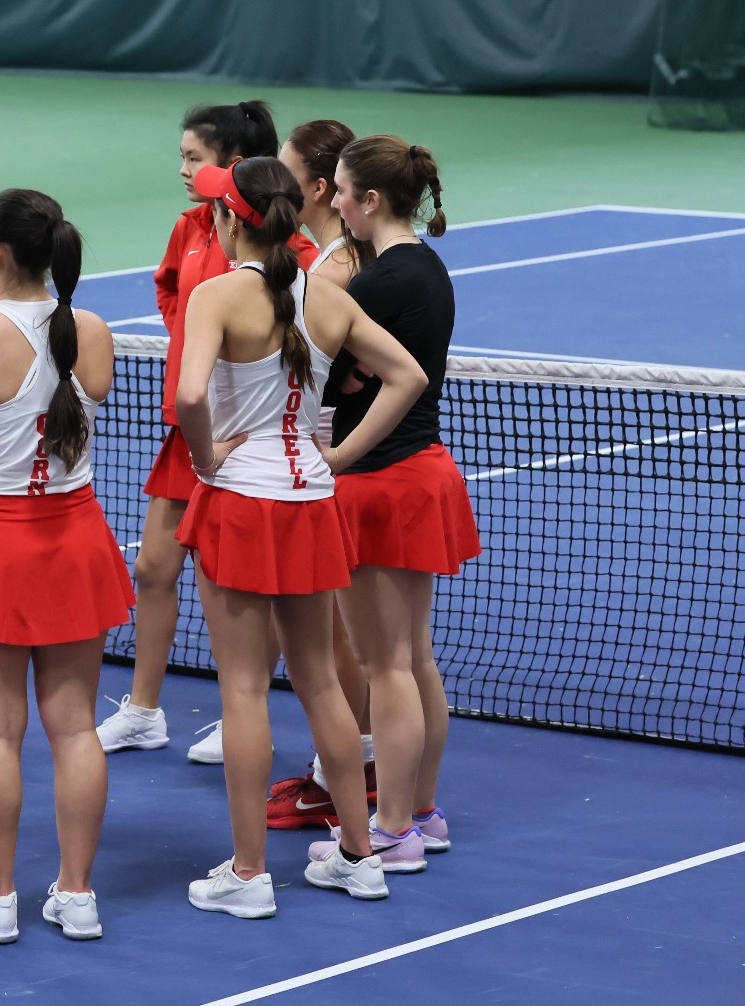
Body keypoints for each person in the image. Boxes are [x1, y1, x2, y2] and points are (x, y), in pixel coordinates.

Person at [173, 157, 426, 918]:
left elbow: (189, 394)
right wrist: (340, 456)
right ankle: (359, 855)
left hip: (243, 500)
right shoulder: (330, 297)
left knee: (244, 688)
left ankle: (249, 875)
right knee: (322, 684)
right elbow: (407, 376)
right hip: (310, 500)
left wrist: (204, 455)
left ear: (232, 221)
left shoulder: (217, 293)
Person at [0, 189, 133, 944]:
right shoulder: (96, 332)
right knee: (75, 730)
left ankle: (1, 899)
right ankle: (77, 895)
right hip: (74, 543)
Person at [96, 101, 317, 765]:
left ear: (235, 169)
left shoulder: (290, 249)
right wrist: (196, 340)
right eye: (183, 155)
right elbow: (173, 293)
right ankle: (143, 710)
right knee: (154, 566)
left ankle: (237, 711)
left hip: (251, 442)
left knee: (247, 590)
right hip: (187, 433)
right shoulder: (190, 227)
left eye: (196, 157)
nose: (184, 169)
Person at [313, 135, 481, 869]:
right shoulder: (427, 270)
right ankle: (422, 812)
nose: (335, 202)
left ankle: (391, 832)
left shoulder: (373, 287)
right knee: (413, 660)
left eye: (342, 192)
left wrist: (343, 452)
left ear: (370, 200)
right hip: (421, 475)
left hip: (379, 485)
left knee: (387, 665)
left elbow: (372, 381)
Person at [265, 117, 379, 830]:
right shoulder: (353, 257)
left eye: (288, 170)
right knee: (344, 632)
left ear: (317, 187)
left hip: (320, 463)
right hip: (334, 459)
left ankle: (349, 777)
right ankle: (348, 767)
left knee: (330, 637)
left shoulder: (331, 273)